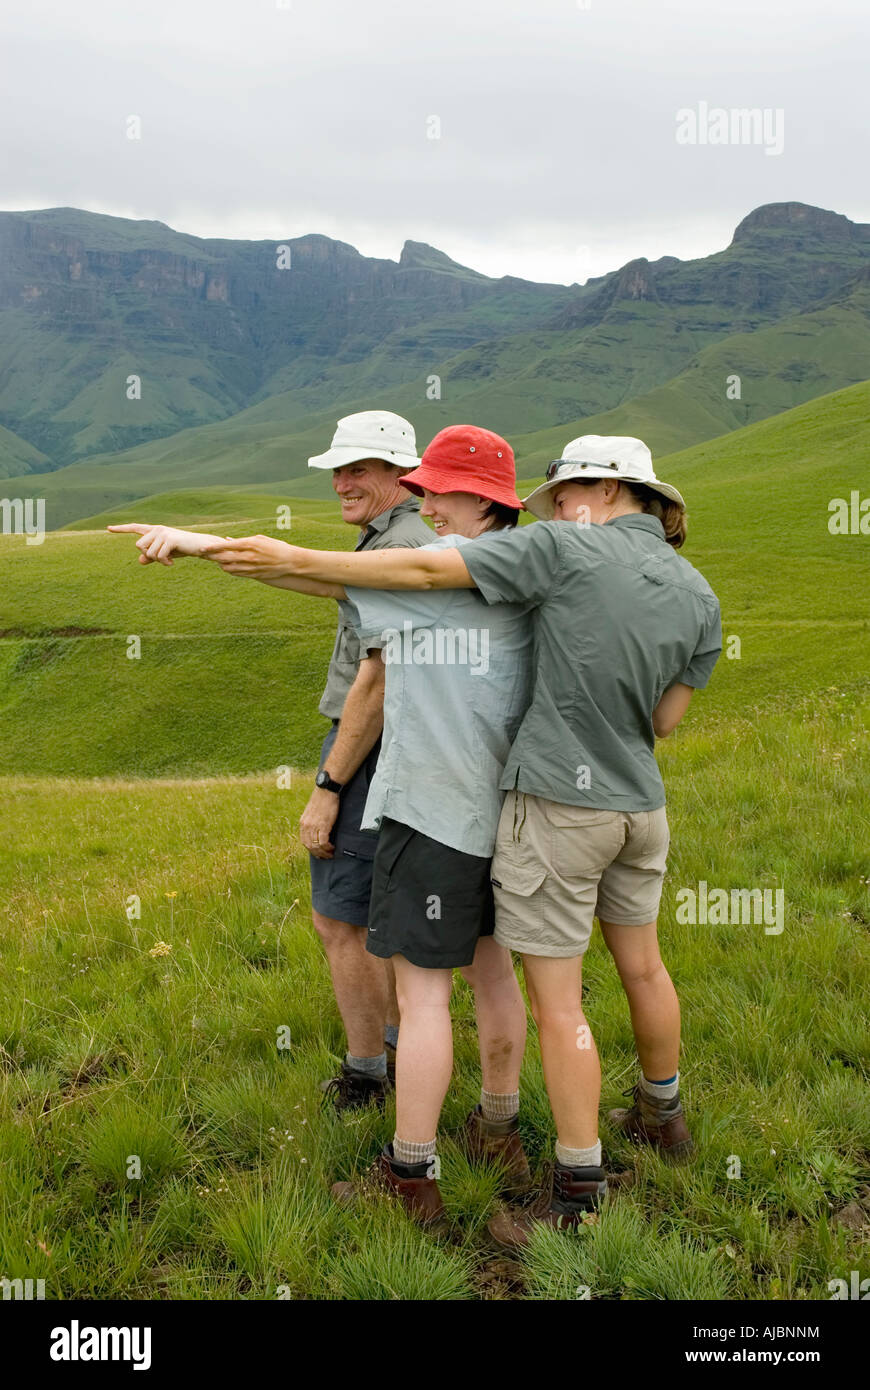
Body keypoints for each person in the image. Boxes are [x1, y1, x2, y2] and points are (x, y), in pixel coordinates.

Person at [207, 434, 722, 1242]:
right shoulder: (675, 589)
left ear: (598, 491)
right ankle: (610, 1120)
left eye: (440, 493)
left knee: (489, 1001)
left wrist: (220, 548)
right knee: (589, 974)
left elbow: (381, 577)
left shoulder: (536, 560)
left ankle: (500, 1184)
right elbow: (663, 719)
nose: (426, 506)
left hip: (508, 812)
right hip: (611, 808)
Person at [110, 409, 432, 1112]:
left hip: (370, 754)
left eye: (359, 470)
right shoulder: (399, 540)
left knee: (339, 919)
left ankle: (369, 1076)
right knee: (373, 918)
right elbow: (303, 577)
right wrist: (198, 545)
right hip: (400, 754)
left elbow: (374, 689)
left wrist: (328, 785)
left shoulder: (396, 549)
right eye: (338, 470)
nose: (343, 483)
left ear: (400, 474)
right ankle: (404, 1061)